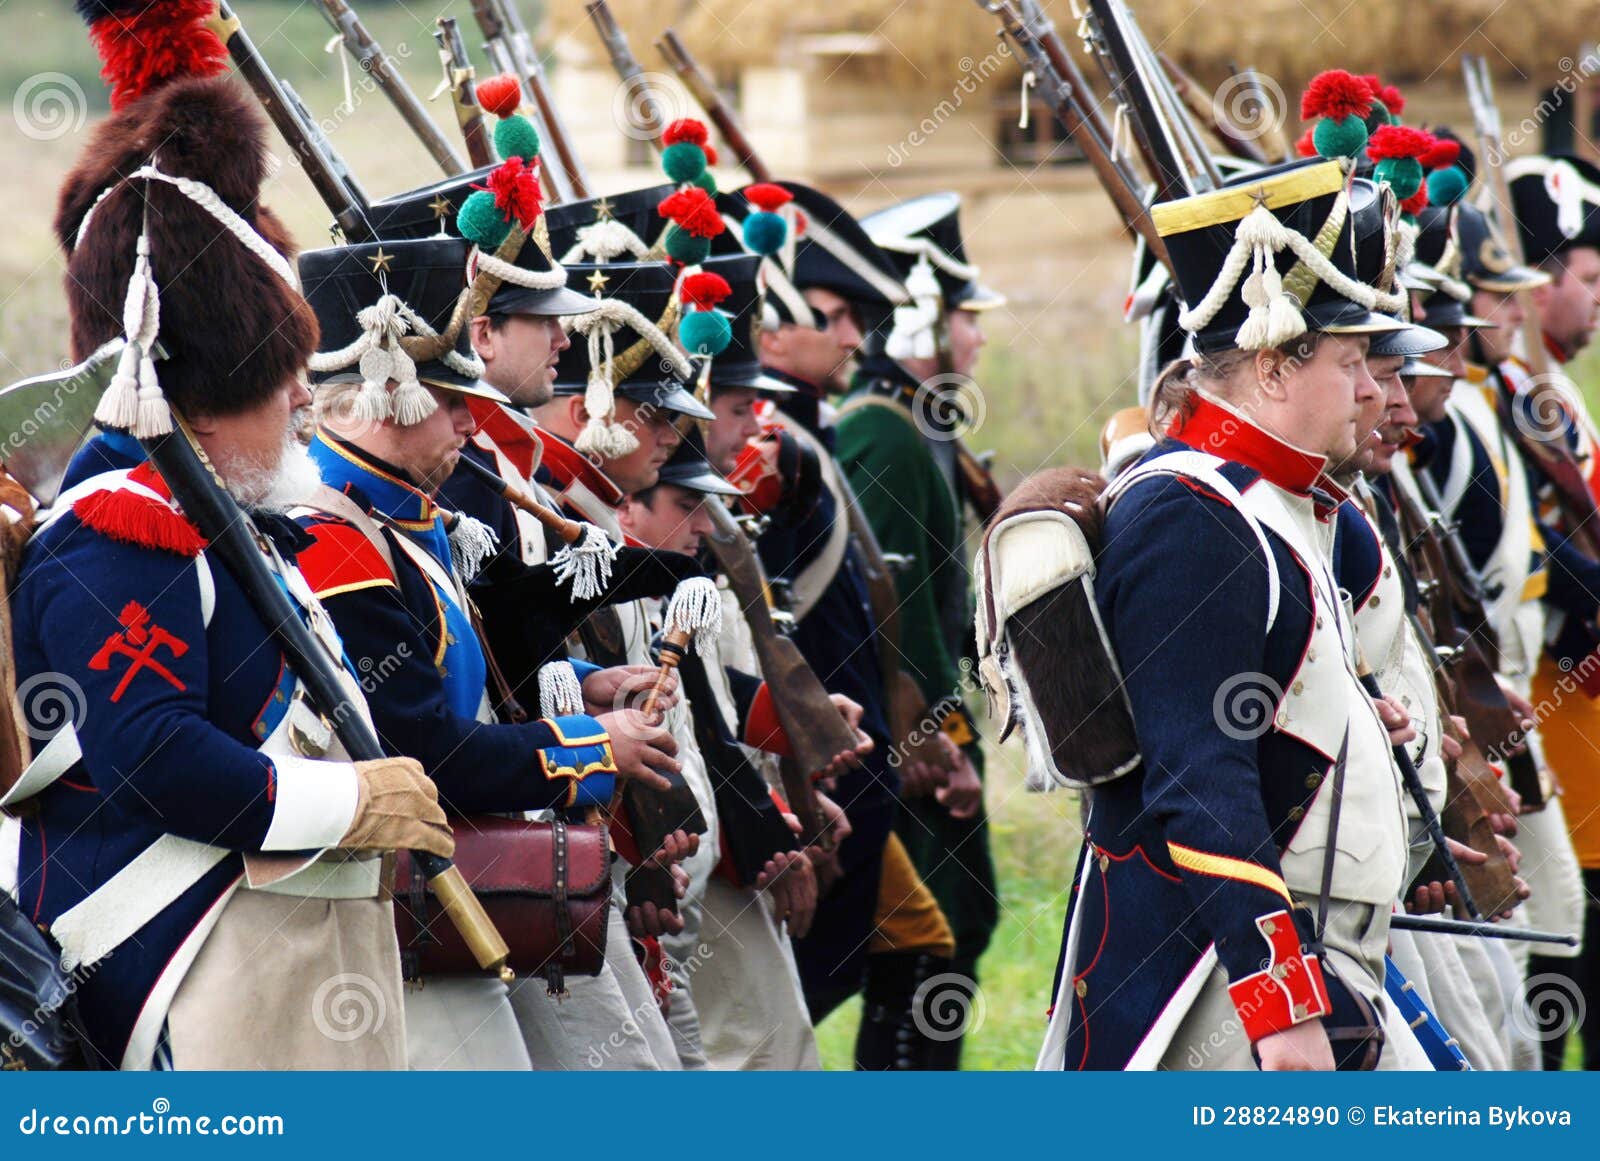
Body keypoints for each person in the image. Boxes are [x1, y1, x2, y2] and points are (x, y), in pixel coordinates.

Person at [1, 49, 450, 1070]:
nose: (301, 400)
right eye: (279, 376)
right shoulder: (120, 526)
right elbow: (149, 754)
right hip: (187, 980)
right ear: (210, 382)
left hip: (280, 975)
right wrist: (351, 802)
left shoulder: (225, 525)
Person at [1010, 160, 1415, 1069]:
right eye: (1352, 362)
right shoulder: (1192, 515)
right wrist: (1280, 1005)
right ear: (1273, 366)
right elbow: (1197, 777)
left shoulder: (1270, 502)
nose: (1371, 390)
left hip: (1298, 950)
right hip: (1204, 984)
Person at [290, 234, 679, 1070]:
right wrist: (591, 745)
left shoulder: (406, 523)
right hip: (408, 893)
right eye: (447, 397)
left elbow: (474, 683)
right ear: (382, 393)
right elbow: (427, 750)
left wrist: (584, 681)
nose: (472, 420)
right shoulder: (336, 541)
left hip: (479, 863)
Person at [835, 193, 1001, 1059]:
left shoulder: (909, 427)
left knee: (944, 937)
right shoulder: (888, 437)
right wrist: (942, 744)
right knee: (936, 938)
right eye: (964, 318)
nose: (975, 339)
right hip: (914, 747)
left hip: (930, 734)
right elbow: (893, 622)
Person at [1504, 154, 1600, 1068]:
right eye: (1588, 277)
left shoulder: (1553, 397)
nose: (1597, 296)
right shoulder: (1518, 401)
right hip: (1553, 723)